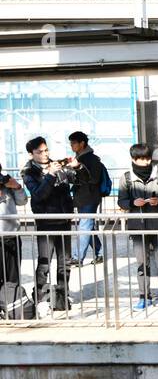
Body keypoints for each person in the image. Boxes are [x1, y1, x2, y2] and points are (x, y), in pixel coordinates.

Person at [21, 136, 76, 313]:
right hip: (45, 222)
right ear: (31, 154)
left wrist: (77, 168)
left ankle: (62, 294)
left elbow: (76, 182)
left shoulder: (56, 165)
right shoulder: (29, 172)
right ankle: (40, 296)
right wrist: (51, 175)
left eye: (46, 150)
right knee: (44, 262)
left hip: (64, 219)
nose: (44, 154)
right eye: (39, 152)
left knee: (65, 262)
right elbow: (39, 195)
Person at [119, 143, 158, 310]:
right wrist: (131, 203)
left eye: (146, 158)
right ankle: (144, 297)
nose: (144, 162)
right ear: (133, 159)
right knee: (142, 264)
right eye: (140, 159)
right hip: (138, 227)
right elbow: (121, 200)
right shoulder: (127, 178)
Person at [67, 130, 106, 265]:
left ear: (82, 143)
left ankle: (77, 257)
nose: (71, 145)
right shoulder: (78, 158)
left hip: (90, 197)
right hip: (81, 197)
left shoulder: (92, 158)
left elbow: (94, 179)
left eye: (74, 143)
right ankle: (100, 253)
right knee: (88, 226)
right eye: (70, 143)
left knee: (84, 225)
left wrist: (78, 168)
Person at [0, 165, 28, 285]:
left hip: (11, 236)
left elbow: (23, 201)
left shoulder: (7, 181)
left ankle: (12, 301)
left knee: (13, 278)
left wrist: (17, 187)